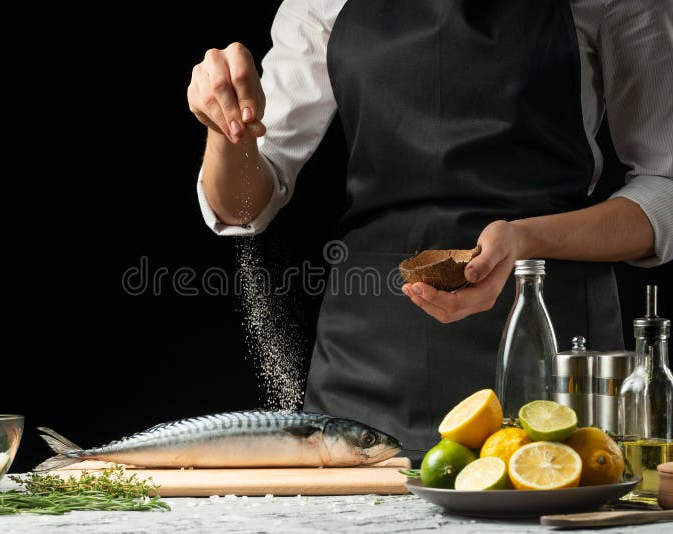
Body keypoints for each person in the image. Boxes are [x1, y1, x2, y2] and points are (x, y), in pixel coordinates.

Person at [187, 0, 673, 462]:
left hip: (551, 352)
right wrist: (225, 127)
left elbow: (665, 189)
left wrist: (527, 239)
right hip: (369, 365)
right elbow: (244, 206)